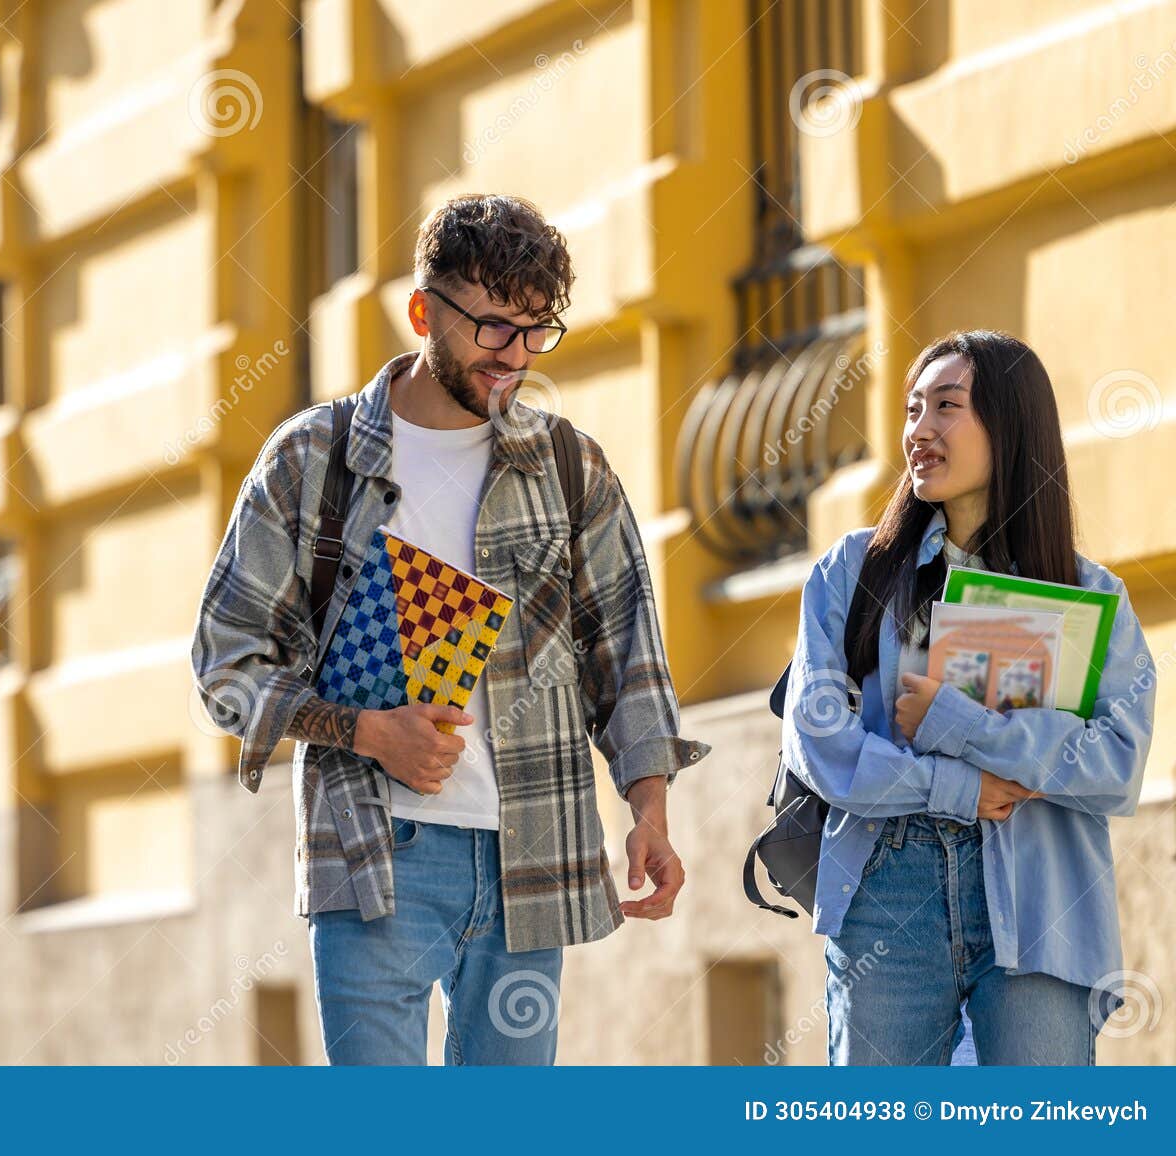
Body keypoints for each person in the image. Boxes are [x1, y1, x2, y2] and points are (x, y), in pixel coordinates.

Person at [191, 193, 708, 1064]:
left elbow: (627, 653)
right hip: (374, 854)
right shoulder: (311, 461)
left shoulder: (569, 467)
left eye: (538, 330)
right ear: (424, 311)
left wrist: (648, 807)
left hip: (531, 857)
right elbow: (225, 665)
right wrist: (367, 732)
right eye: (495, 327)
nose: (516, 357)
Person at [781, 329, 1156, 1065]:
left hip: (1043, 900)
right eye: (913, 409)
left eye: (946, 407)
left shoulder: (1087, 594)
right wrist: (959, 785)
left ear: (1011, 426)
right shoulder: (850, 572)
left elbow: (1118, 765)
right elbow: (819, 742)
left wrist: (961, 723)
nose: (919, 431)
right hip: (889, 894)